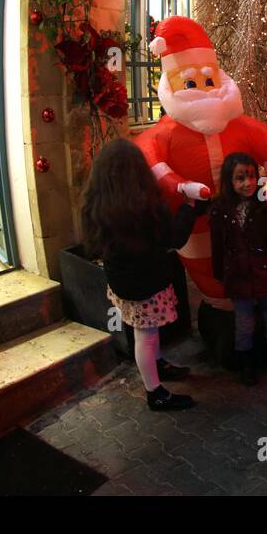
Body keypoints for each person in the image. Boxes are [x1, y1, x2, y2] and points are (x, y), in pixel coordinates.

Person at [80, 138, 201, 412]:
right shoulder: (142, 207)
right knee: (145, 336)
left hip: (123, 283)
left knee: (146, 332)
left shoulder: (97, 205)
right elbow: (173, 238)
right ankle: (155, 392)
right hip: (146, 283)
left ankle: (157, 365)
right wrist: (189, 208)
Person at [209, 153, 267, 386]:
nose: (248, 183)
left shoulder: (265, 205)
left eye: (252, 176)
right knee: (244, 322)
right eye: (240, 178)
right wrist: (221, 275)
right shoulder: (220, 209)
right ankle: (246, 362)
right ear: (229, 181)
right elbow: (218, 246)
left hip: (265, 272)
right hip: (239, 275)